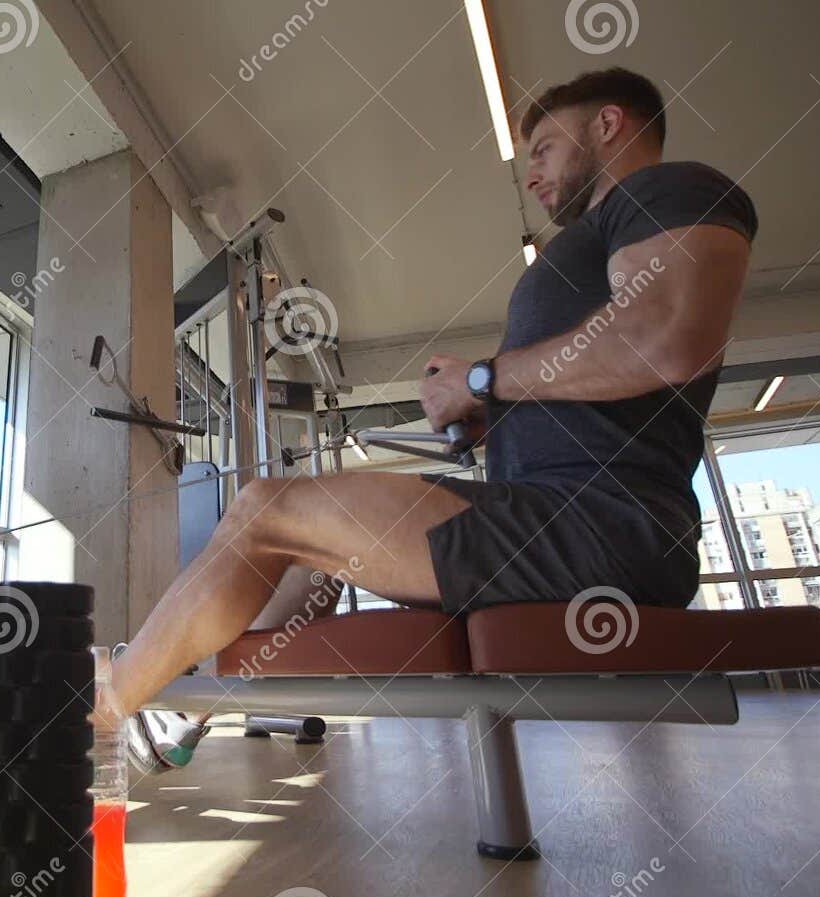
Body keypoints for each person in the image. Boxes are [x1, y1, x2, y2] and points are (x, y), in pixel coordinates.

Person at [101, 67, 758, 773]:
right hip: (550, 514)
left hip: (599, 525)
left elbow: (664, 341)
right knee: (302, 550)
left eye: (542, 148)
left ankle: (106, 708)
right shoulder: (599, 238)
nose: (531, 172)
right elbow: (600, 381)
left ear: (608, 125)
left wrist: (486, 377)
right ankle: (184, 707)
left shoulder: (665, 189)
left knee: (267, 510)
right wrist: (489, 413)